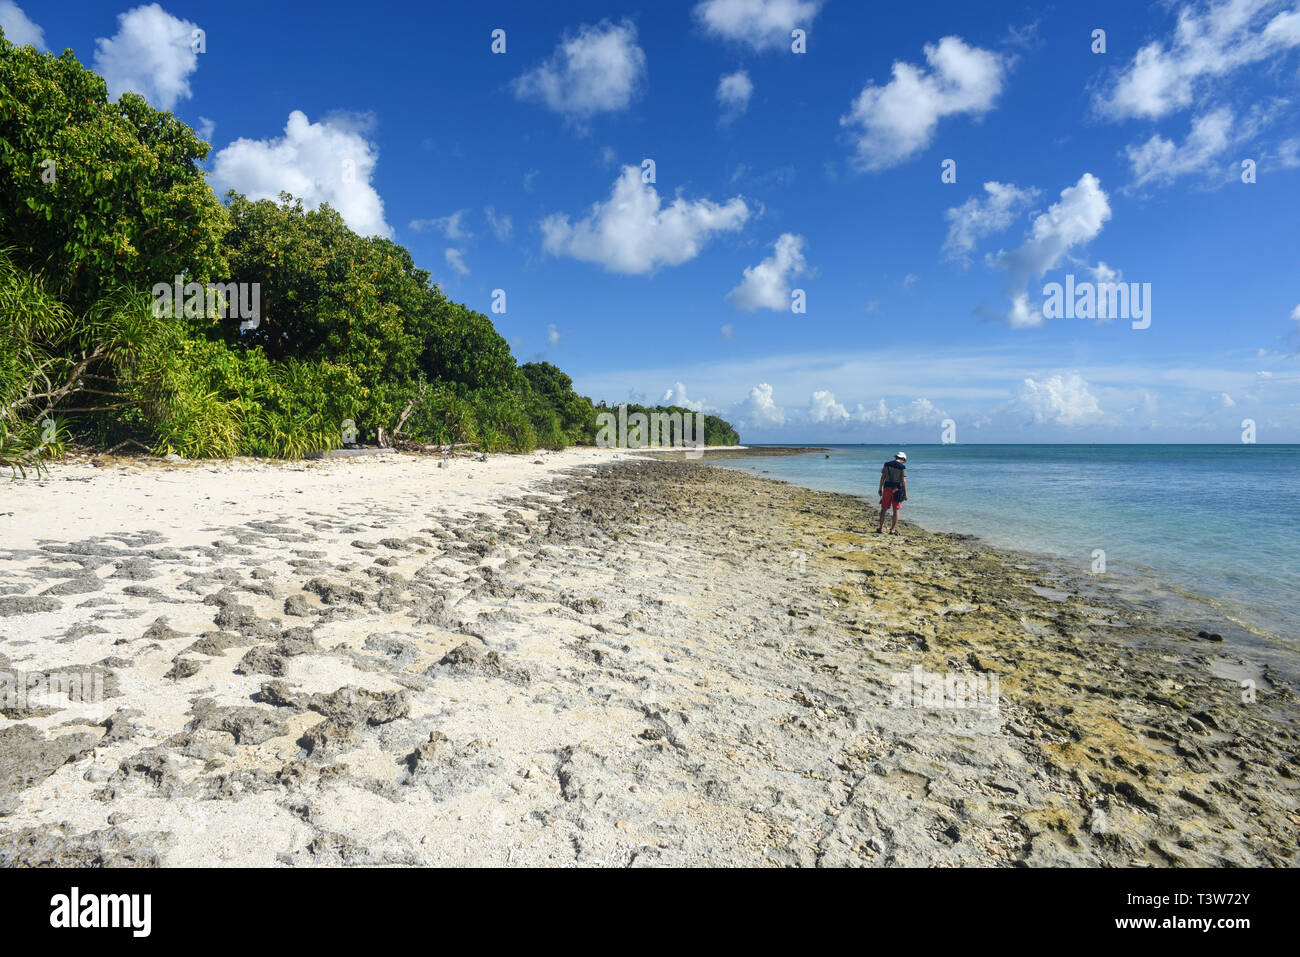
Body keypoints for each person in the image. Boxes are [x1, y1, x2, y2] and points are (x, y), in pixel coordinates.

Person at [876, 451, 908, 535]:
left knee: (883, 509)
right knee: (896, 510)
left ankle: (880, 528)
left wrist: (880, 489)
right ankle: (892, 530)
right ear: (903, 459)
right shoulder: (902, 467)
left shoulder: (887, 464)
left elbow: (882, 477)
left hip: (886, 488)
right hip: (897, 490)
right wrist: (905, 493)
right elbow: (903, 481)